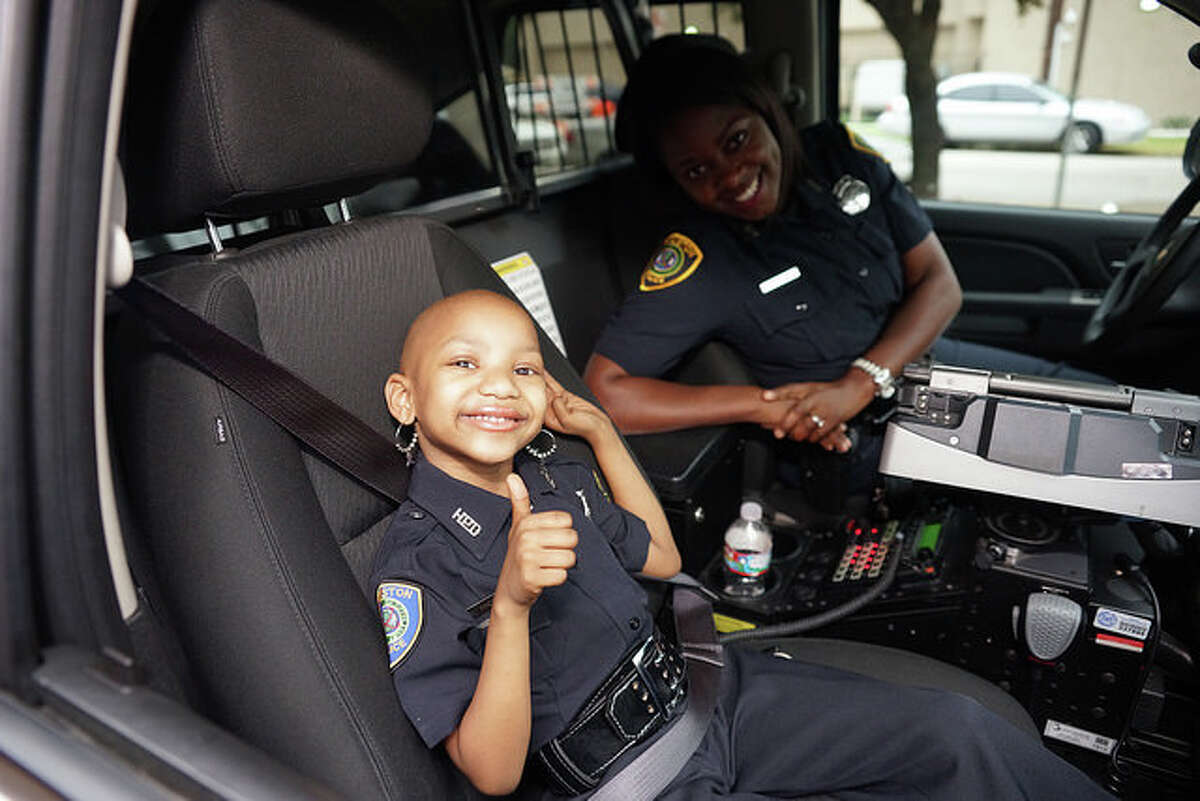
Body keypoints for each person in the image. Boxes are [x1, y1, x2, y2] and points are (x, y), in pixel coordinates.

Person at [368, 289, 1113, 799]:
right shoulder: (416, 566)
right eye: (463, 364)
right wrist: (511, 606)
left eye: (524, 368)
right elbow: (492, 774)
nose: (500, 386)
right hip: (632, 778)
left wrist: (600, 430)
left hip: (712, 696)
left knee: (957, 733)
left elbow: (662, 558)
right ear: (405, 399)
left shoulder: (555, 476)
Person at [584, 35, 1106, 506]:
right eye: (697, 170)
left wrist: (862, 381)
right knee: (1078, 476)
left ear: (766, 111)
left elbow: (939, 282)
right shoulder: (703, 256)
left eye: (736, 140)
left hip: (926, 367)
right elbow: (605, 391)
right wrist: (763, 406)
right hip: (861, 443)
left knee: (1108, 416)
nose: (730, 175)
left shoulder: (839, 155)